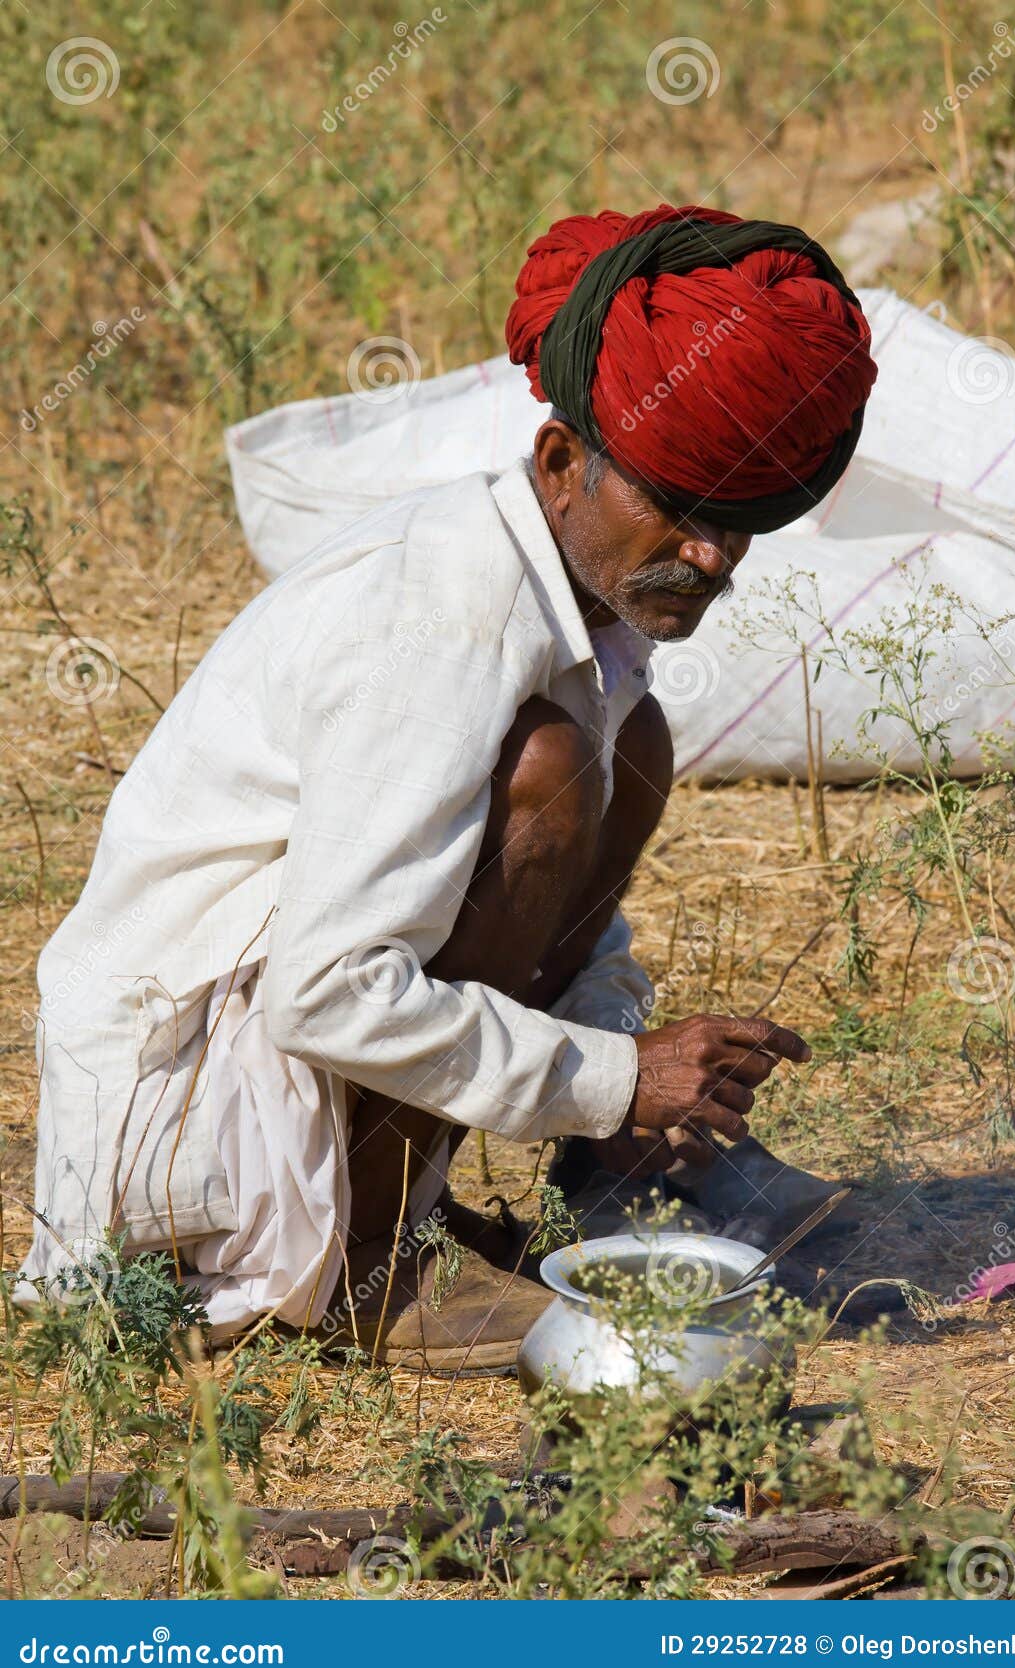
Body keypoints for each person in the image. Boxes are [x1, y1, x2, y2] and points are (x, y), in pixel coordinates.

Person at [20, 204, 877, 1372]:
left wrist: (624, 1085)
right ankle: (367, 1266)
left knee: (627, 748)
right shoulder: (438, 618)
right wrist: (618, 1078)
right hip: (180, 1143)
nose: (712, 555)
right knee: (560, 769)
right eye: (676, 507)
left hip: (263, 1078)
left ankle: (535, 1189)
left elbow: (541, 914)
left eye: (733, 522)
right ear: (560, 465)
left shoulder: (572, 610)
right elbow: (324, 994)